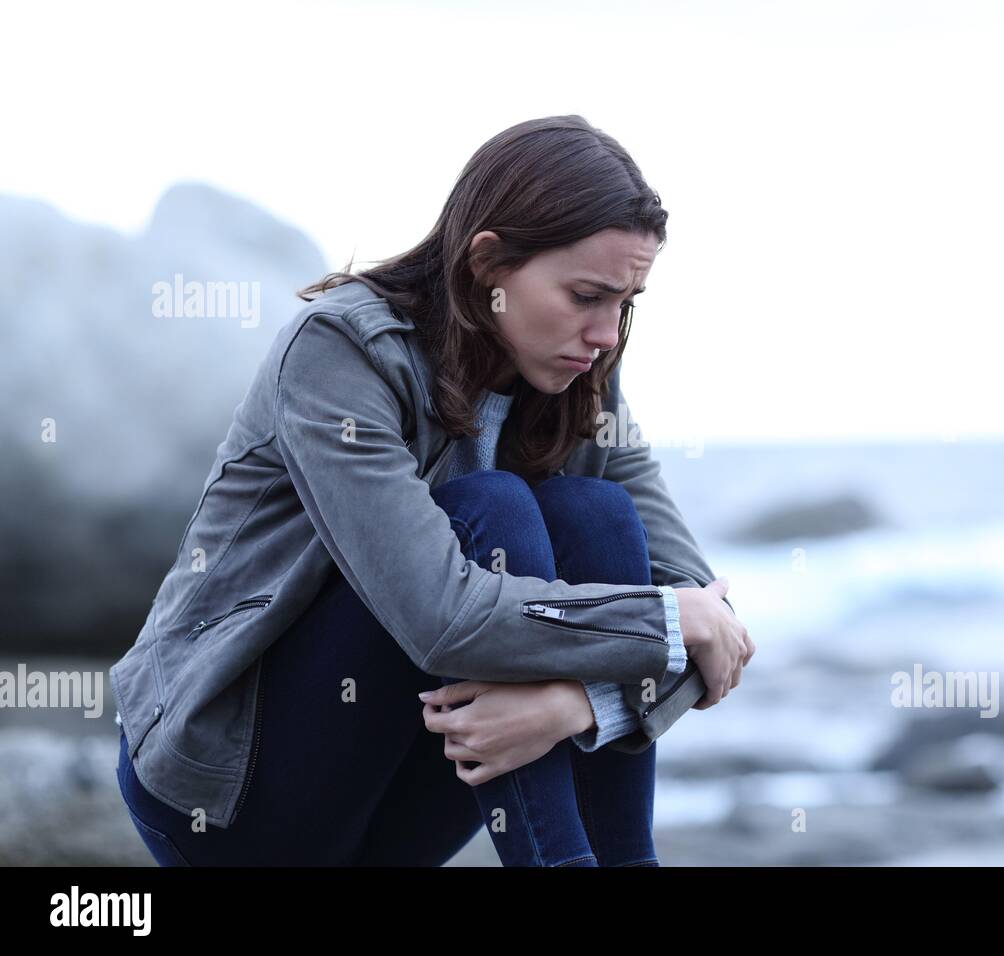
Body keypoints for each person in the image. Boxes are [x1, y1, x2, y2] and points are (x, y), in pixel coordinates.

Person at [112, 114, 754, 866]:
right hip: (230, 789)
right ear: (489, 264)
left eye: (626, 302)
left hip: (404, 780)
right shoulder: (340, 351)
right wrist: (668, 624)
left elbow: (715, 623)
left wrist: (577, 705)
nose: (608, 333)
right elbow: (440, 617)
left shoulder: (586, 390)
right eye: (587, 295)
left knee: (596, 515)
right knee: (496, 511)